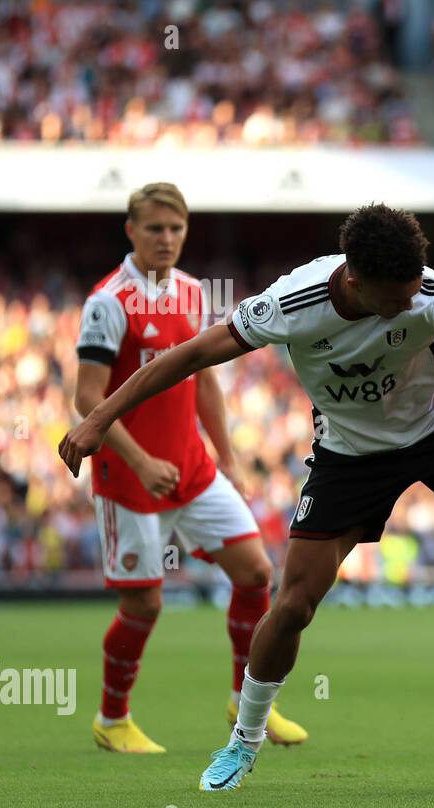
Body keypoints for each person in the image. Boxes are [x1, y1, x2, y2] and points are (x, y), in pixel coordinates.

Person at [61, 203, 434, 791]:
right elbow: (190, 355)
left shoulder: (430, 294)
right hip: (349, 455)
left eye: (412, 293)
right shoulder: (293, 302)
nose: (407, 305)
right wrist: (97, 422)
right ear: (353, 280)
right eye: (392, 299)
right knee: (292, 605)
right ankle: (243, 742)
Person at [74, 182, 305, 754]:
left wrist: (226, 458)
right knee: (144, 604)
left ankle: (243, 701)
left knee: (255, 573)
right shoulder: (107, 302)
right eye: (155, 228)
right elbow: (86, 398)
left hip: (194, 469)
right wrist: (140, 459)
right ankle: (112, 719)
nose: (167, 239)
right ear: (131, 230)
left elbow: (205, 378)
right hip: (130, 478)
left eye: (176, 229)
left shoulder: (192, 292)